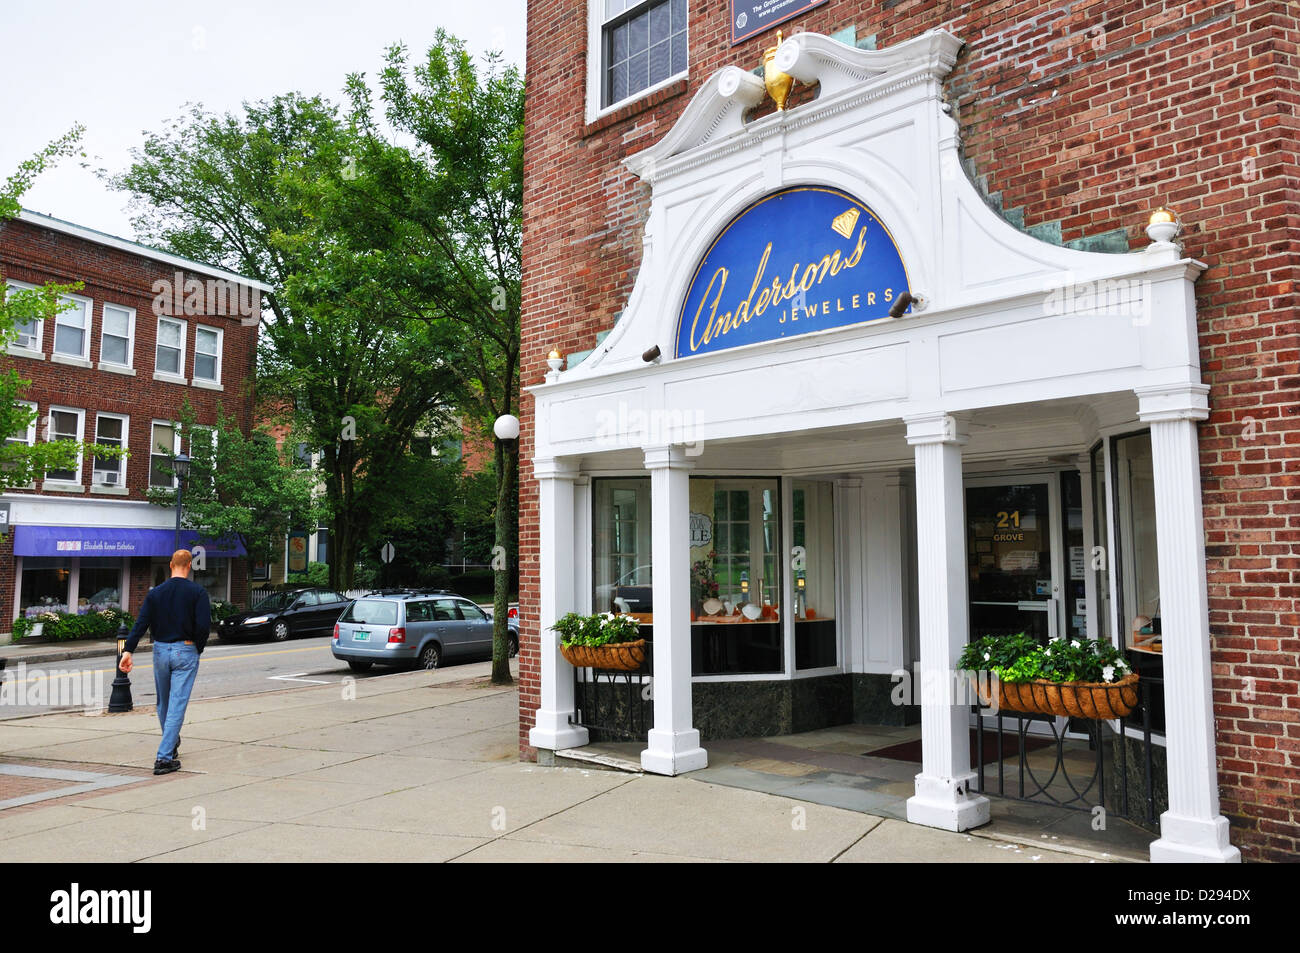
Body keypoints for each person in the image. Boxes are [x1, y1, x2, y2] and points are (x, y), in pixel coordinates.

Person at [120, 549, 211, 775]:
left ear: (171, 565)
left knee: (164, 702)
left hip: (160, 650)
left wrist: (128, 650)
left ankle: (171, 742)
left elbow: (141, 623)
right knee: (177, 704)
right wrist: (197, 647)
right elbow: (203, 626)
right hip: (185, 648)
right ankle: (163, 758)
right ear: (189, 566)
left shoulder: (155, 593)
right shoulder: (197, 592)